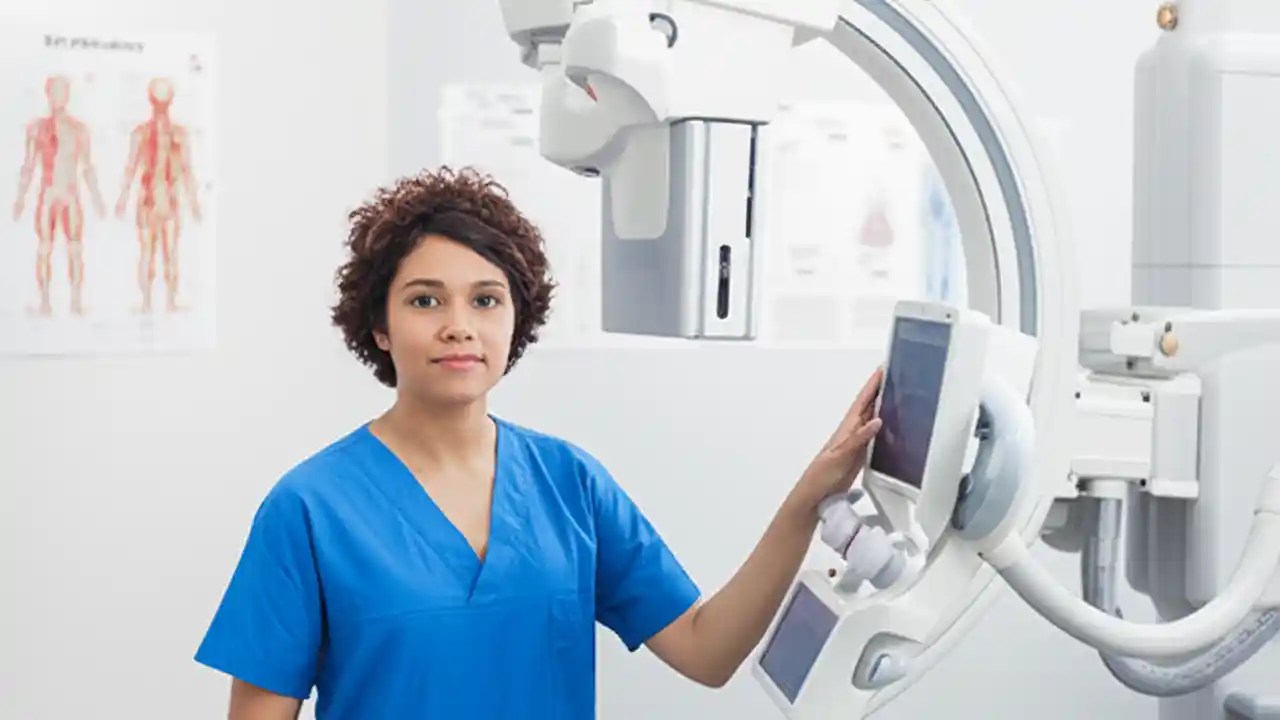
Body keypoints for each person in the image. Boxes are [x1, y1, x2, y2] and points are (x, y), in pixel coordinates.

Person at [194, 166, 884, 719]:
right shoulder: (311, 510)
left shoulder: (568, 484)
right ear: (379, 324)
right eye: (425, 299)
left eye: (486, 300)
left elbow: (707, 651)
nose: (459, 325)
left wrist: (806, 503)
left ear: (517, 320)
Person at [12, 75, 106, 316]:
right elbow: (29, 165)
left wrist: (97, 198)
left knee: (75, 247)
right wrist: (20, 198)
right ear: (47, 94)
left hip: (70, 193)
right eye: (54, 91)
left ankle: (75, 302)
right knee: (44, 247)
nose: (58, 96)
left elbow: (87, 166)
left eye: (62, 91)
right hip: (48, 193)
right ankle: (45, 302)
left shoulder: (79, 129)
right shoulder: (37, 128)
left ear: (68, 95)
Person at [116, 77, 202, 313]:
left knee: (153, 252)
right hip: (158, 198)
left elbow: (132, 168)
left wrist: (123, 198)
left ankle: (154, 303)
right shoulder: (167, 134)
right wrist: (194, 203)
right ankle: (159, 303)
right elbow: (185, 170)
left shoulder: (154, 133)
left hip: (154, 198)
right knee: (165, 251)